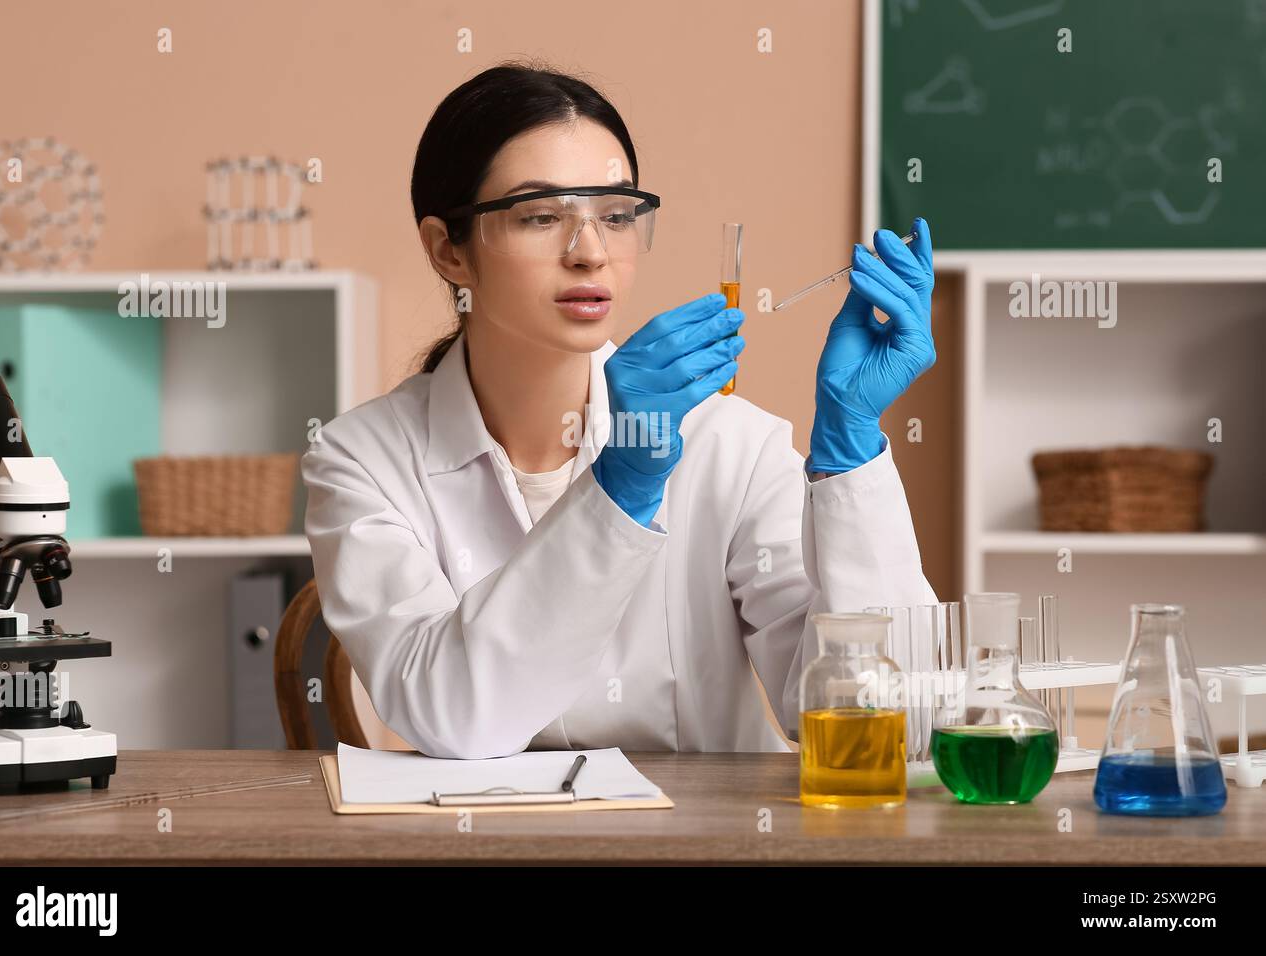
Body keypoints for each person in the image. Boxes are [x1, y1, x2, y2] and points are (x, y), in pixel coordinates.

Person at [301, 61, 937, 759]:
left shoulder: (730, 446)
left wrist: (849, 449)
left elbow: (890, 730)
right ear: (447, 250)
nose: (591, 253)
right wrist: (618, 490)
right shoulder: (362, 462)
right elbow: (452, 715)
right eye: (540, 216)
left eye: (616, 215)